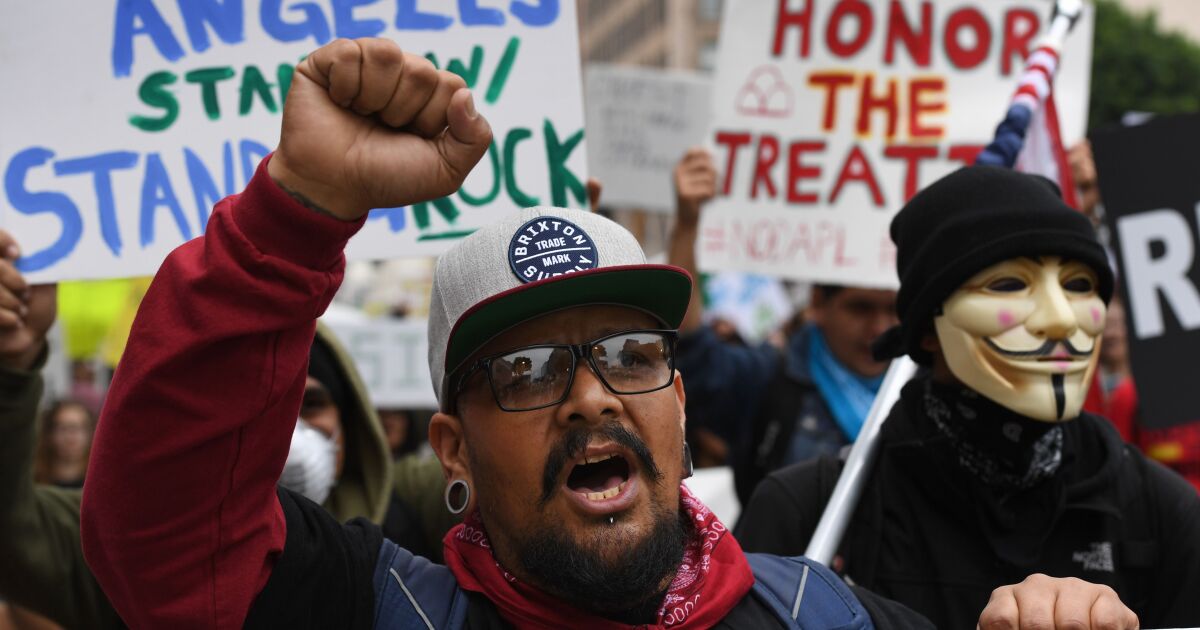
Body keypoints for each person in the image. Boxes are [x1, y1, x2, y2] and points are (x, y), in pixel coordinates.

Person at [78, 37, 1138, 629]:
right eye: (528, 369)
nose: (592, 397)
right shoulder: (379, 610)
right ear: (451, 449)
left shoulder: (829, 619)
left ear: (680, 400)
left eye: (633, 355)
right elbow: (165, 539)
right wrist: (295, 213)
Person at [735, 166, 1200, 628]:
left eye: (1079, 285)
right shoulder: (811, 510)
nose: (1061, 319)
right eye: (1009, 285)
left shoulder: (1161, 512)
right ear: (929, 328)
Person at [0, 226, 446, 626]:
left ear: (351, 421)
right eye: (262, 406)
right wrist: (12, 365)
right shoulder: (133, 532)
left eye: (310, 404)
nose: (285, 430)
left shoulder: (412, 507)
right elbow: (12, 533)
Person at [667, 148, 898, 503]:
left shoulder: (925, 390)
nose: (880, 327)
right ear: (818, 303)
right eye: (860, 308)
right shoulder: (768, 379)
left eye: (894, 310)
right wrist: (687, 227)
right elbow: (693, 352)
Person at [32, 399, 95, 489]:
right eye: (63, 428)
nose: (71, 436)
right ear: (49, 433)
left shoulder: (98, 479)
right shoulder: (34, 478)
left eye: (79, 428)